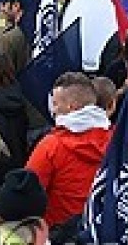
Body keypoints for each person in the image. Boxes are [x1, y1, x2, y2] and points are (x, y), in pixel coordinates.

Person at [25, 72, 111, 227]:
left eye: (56, 104)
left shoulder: (51, 146)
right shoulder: (121, 143)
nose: (53, 110)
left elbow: (26, 195)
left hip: (60, 237)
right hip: (108, 235)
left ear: (71, 107)